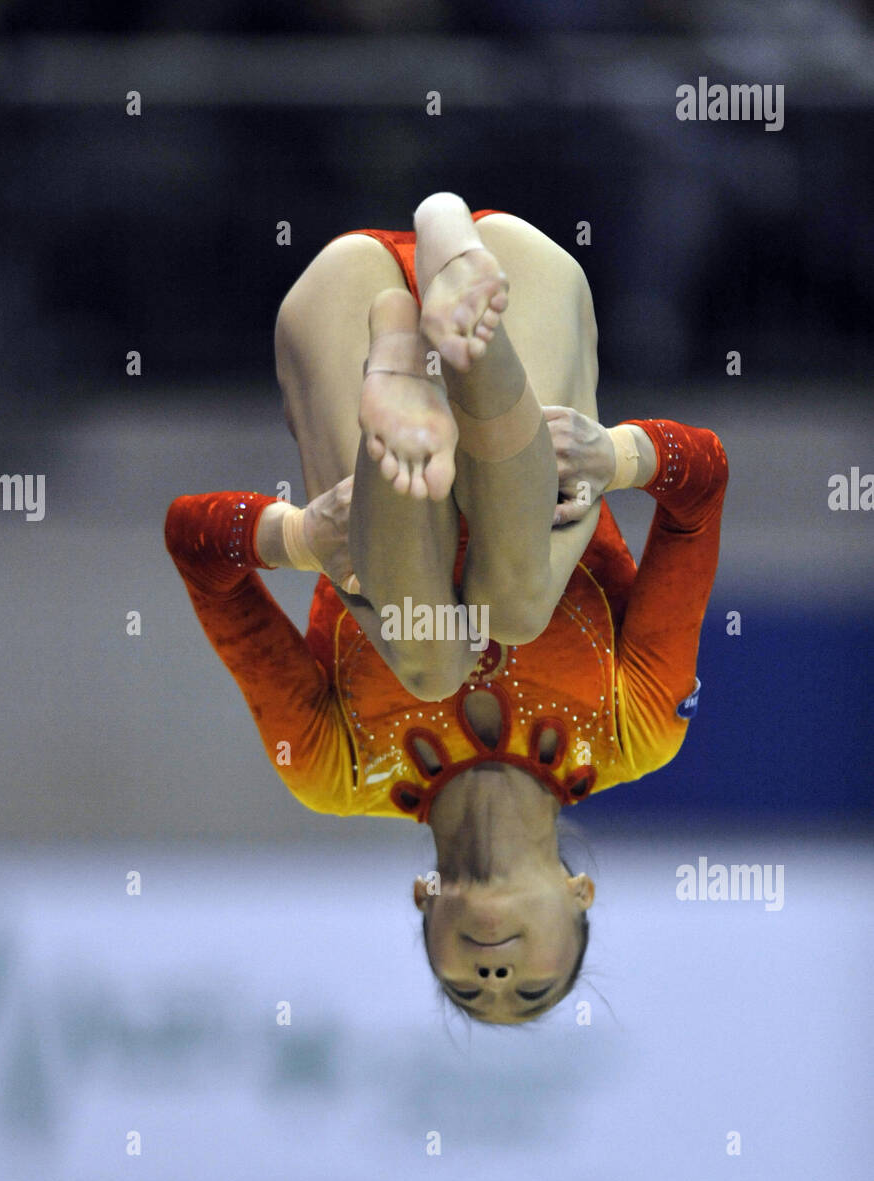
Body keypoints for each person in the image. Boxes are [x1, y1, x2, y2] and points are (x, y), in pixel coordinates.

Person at [165, 192, 728, 1025]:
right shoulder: (635, 733)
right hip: (515, 285)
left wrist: (293, 536)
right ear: (581, 896)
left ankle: (399, 356)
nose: (495, 981)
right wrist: (621, 454)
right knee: (512, 611)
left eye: (463, 990)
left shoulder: (337, 772)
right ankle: (450, 283)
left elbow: (194, 547)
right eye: (534, 988)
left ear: (423, 903)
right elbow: (702, 486)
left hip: (347, 301)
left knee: (429, 658)